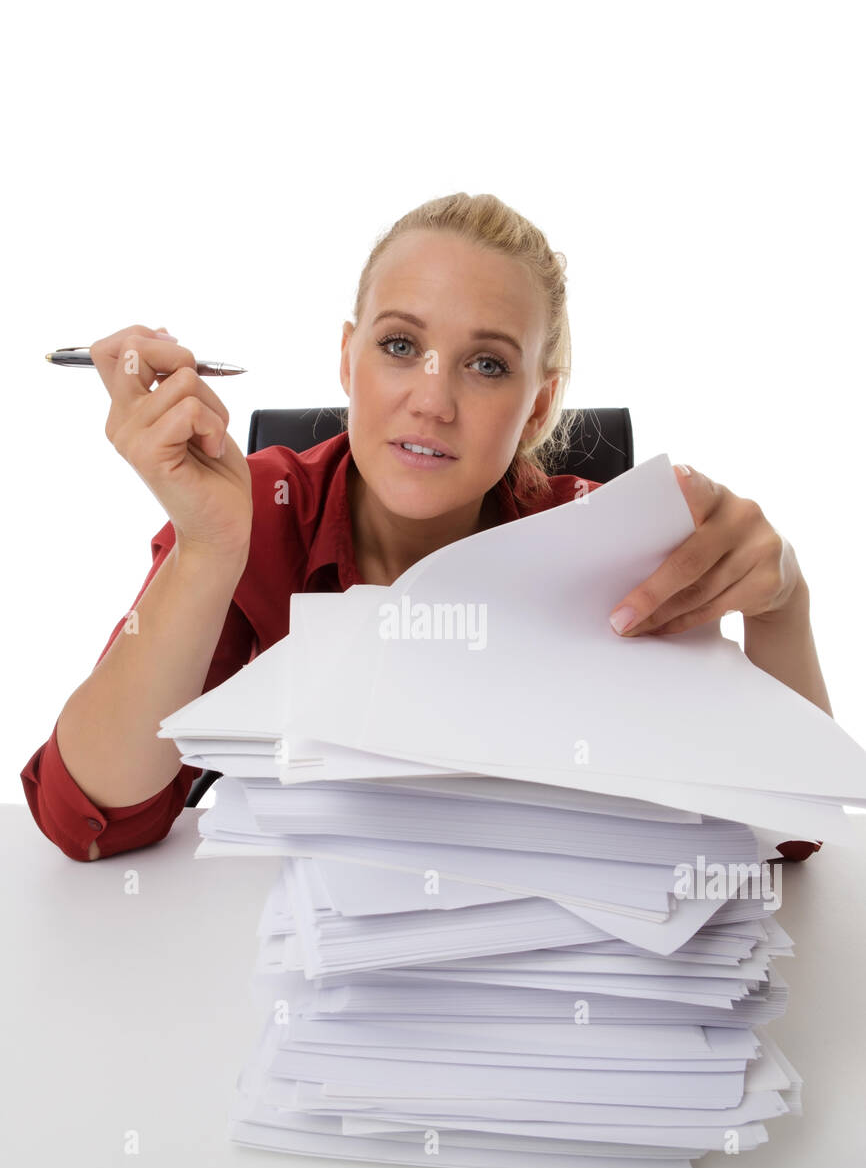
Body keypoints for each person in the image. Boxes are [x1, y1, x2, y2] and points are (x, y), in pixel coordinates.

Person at [21, 192, 832, 864]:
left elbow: (789, 831)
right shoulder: (252, 514)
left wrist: (780, 605)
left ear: (540, 404)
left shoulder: (603, 540)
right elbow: (88, 816)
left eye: (486, 364)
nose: (433, 400)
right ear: (348, 361)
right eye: (401, 345)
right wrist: (206, 552)